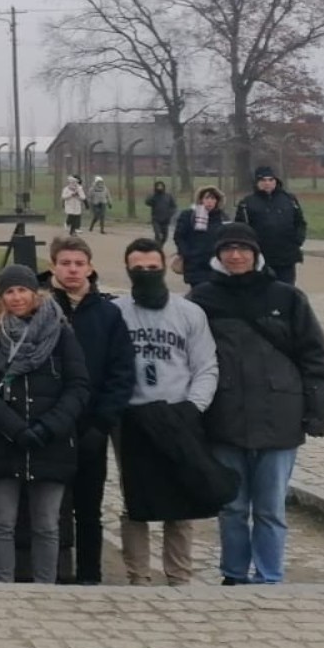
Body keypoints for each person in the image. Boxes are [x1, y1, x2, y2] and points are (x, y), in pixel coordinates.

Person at [188, 223, 324, 584]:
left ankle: (269, 576)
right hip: (224, 417)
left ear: (256, 254)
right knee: (233, 506)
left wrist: (319, 407)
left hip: (279, 417)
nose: (235, 255)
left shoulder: (287, 298)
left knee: (270, 508)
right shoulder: (201, 299)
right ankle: (234, 573)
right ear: (218, 255)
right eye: (228, 249)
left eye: (243, 249)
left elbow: (314, 356)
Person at [112, 238, 227, 586]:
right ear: (128, 269)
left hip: (179, 412)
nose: (146, 273)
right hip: (131, 416)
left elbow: (206, 365)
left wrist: (194, 408)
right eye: (138, 269)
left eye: (152, 267)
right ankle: (139, 575)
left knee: (182, 494)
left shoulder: (189, 313)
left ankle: (179, 575)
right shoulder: (116, 312)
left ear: (163, 267)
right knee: (136, 497)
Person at [0, 264, 91, 584]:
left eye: (22, 290)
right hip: (1, 438)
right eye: (9, 291)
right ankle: (3, 585)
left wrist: (50, 426)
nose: (16, 297)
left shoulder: (60, 331)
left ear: (34, 293)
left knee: (47, 522)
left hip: (51, 439)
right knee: (1, 521)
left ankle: (44, 587)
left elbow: (78, 385)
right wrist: (11, 425)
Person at [42, 236, 136, 586]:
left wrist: (101, 422)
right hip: (48, 425)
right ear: (53, 266)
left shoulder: (109, 314)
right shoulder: (40, 308)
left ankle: (89, 575)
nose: (72, 270)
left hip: (90, 426)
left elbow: (121, 373)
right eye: (65, 263)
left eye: (78, 264)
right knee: (46, 509)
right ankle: (48, 573)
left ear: (90, 267)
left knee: (88, 510)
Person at [234, 166, 308, 286]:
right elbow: (241, 228)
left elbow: (300, 222)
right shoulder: (247, 203)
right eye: (263, 180)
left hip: (286, 256)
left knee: (286, 289)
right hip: (261, 256)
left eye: (270, 180)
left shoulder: (289, 199)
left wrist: (297, 240)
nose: (267, 183)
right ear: (257, 182)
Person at [173, 186, 229, 288]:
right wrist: (187, 254)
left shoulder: (222, 217)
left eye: (213, 199)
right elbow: (179, 236)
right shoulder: (189, 215)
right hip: (195, 264)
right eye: (207, 198)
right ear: (201, 199)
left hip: (216, 264)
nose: (209, 202)